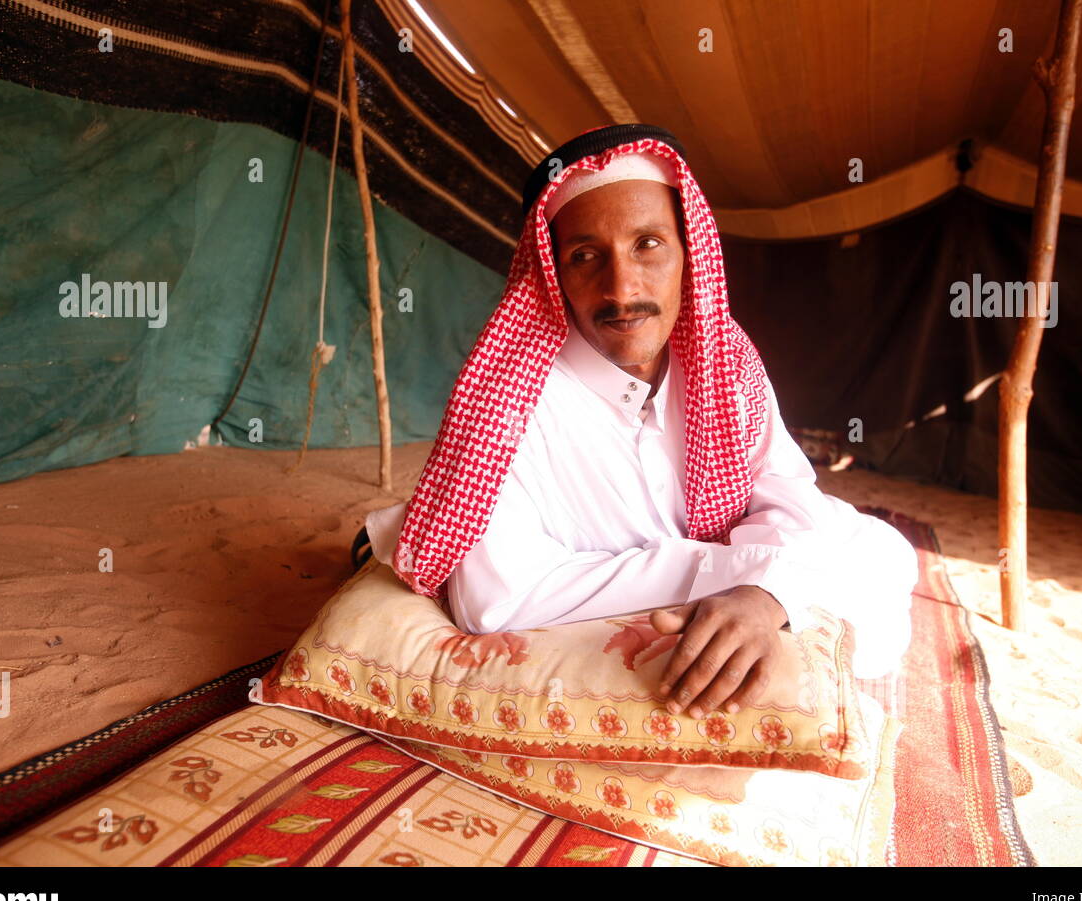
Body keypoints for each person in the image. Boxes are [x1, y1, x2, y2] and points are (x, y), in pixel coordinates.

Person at [364, 123, 917, 722]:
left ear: (688, 252)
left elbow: (791, 503)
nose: (622, 289)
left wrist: (762, 597)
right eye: (585, 256)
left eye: (648, 244)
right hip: (658, 569)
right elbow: (498, 600)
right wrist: (741, 573)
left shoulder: (723, 362)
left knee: (884, 553)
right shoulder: (508, 397)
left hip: (695, 566)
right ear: (553, 275)